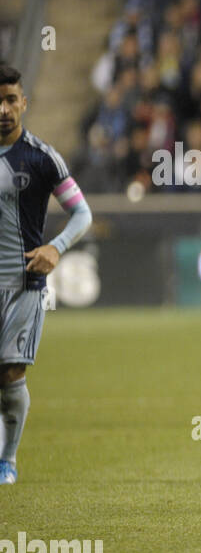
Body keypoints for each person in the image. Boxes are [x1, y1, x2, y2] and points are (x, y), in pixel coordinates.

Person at [0, 64, 93, 484]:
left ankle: (8, 460)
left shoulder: (40, 157)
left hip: (23, 285)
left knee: (10, 373)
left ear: (24, 102)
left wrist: (56, 248)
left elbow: (82, 213)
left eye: (10, 100)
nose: (3, 109)